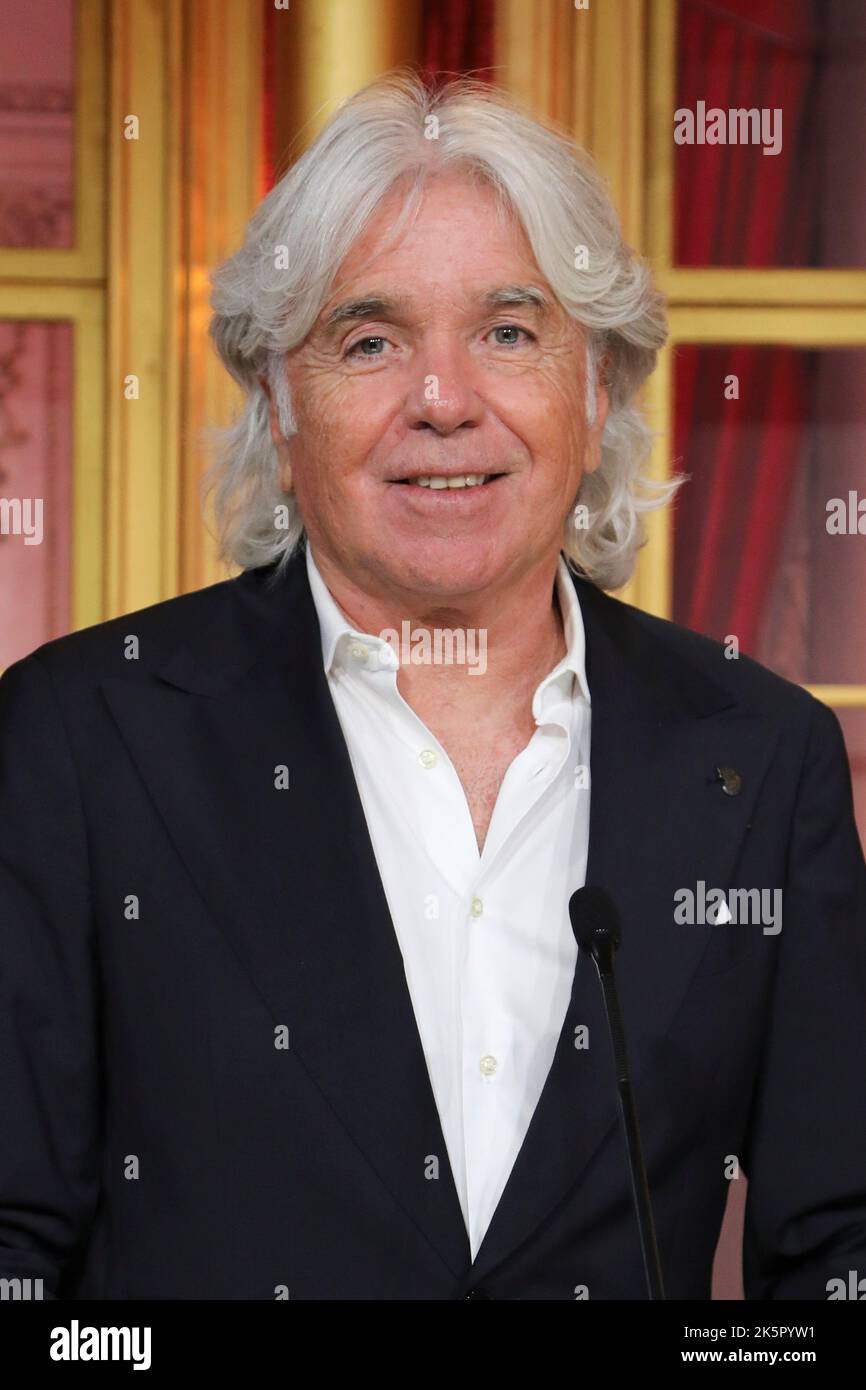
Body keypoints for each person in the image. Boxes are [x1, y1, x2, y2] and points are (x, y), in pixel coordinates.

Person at [1, 74, 864, 1301]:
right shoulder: (78, 740)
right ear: (279, 403)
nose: (444, 400)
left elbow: (841, 1249)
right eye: (369, 341)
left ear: (594, 387)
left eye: (509, 332)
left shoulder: (759, 758)